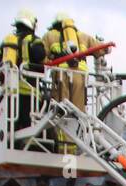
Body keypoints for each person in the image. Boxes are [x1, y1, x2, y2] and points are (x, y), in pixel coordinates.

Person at [43, 12, 100, 152]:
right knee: (79, 114)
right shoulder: (84, 36)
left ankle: (64, 150)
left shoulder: (50, 36)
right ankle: (77, 147)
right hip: (81, 79)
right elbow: (102, 49)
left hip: (61, 79)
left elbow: (41, 59)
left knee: (61, 113)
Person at [0, 9, 47, 134]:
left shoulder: (7, 42)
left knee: (10, 131)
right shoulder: (34, 40)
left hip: (9, 94)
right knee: (30, 130)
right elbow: (40, 55)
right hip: (29, 93)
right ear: (31, 24)